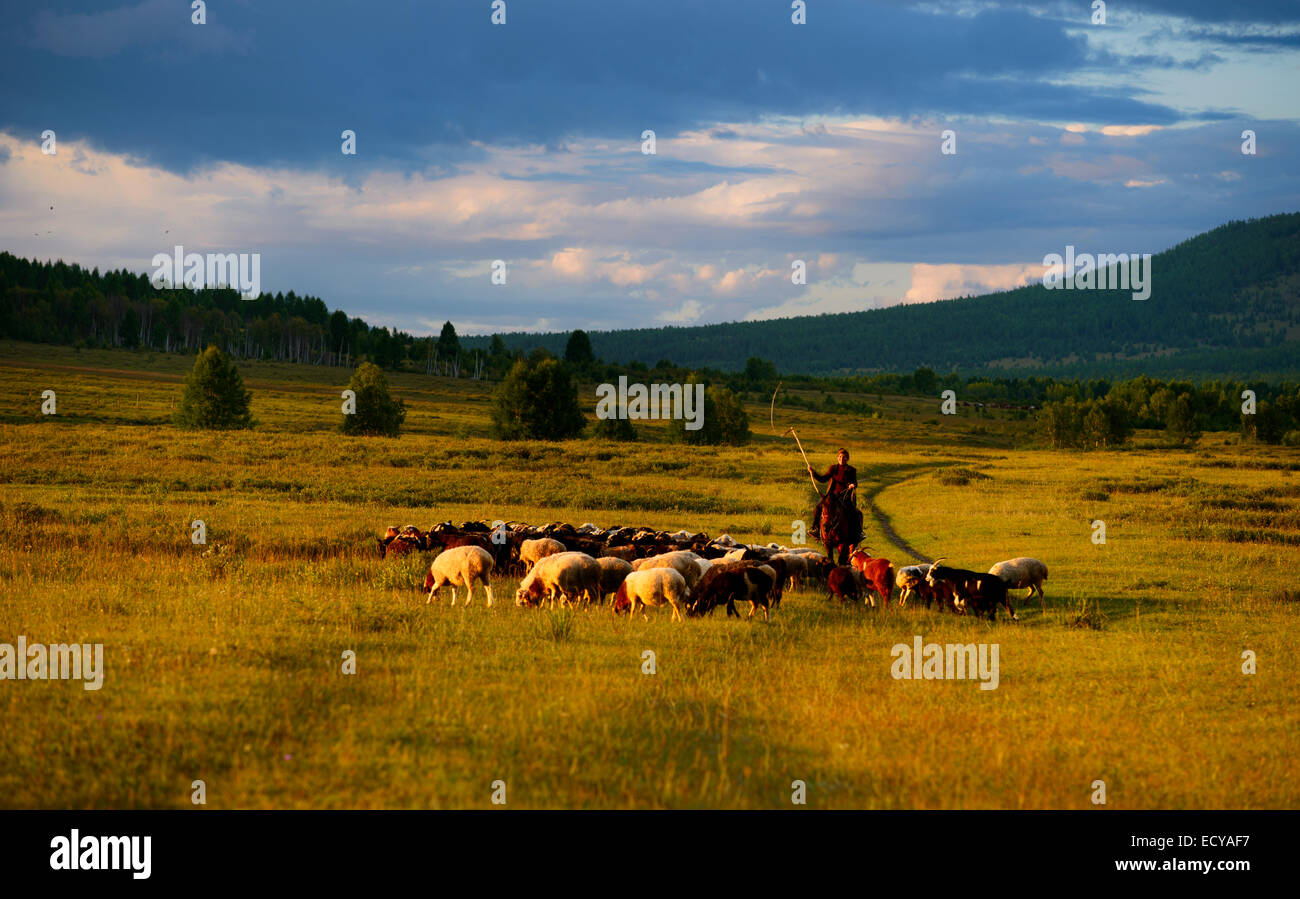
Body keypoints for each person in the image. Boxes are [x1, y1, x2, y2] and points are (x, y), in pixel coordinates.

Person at [808, 448, 863, 543]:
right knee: (818, 507)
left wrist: (852, 485)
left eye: (844, 457)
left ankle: (858, 533)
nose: (842, 459)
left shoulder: (851, 470)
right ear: (837, 458)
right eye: (840, 457)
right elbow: (823, 479)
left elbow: (855, 482)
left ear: (847, 459)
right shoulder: (833, 468)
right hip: (832, 496)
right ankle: (815, 529)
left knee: (856, 513)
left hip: (845, 497)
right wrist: (813, 473)